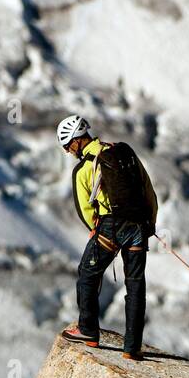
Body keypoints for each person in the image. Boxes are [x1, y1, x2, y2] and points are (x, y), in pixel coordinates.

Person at [57, 115, 158, 360]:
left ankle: (88, 330)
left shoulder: (83, 169)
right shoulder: (124, 152)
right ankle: (132, 348)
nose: (68, 152)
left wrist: (98, 230)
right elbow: (148, 189)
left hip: (110, 227)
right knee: (135, 285)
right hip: (138, 225)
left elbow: (86, 211)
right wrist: (149, 224)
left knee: (87, 274)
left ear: (75, 142)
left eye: (67, 146)